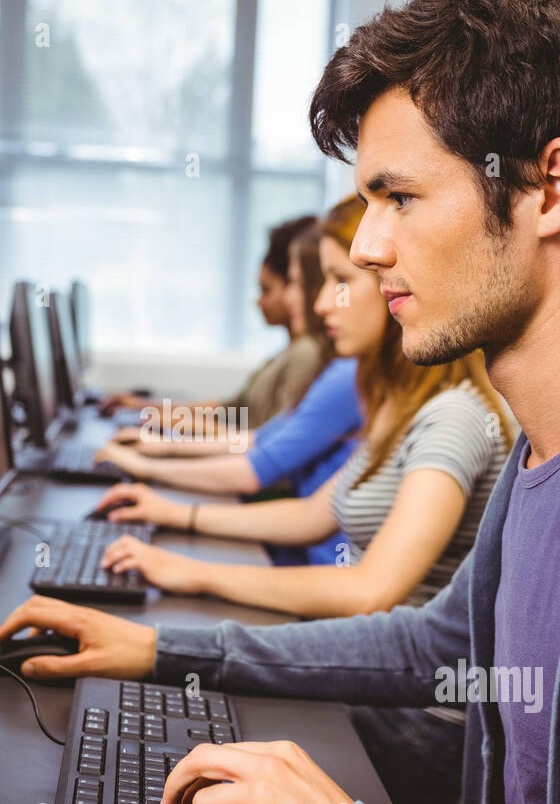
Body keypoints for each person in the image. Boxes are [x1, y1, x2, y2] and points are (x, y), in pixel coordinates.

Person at [0, 0, 560, 804]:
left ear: (551, 189)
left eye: (398, 196)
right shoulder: (547, 447)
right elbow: (434, 646)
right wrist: (160, 647)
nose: (364, 248)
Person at [93, 194, 511, 622]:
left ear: (397, 284)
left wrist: (193, 572)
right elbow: (312, 515)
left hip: (380, 665)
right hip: (344, 633)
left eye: (341, 281)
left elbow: (370, 591)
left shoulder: (453, 418)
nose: (321, 303)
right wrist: (174, 513)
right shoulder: (399, 406)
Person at [97, 212, 366, 566]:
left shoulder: (343, 374)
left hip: (297, 549)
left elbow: (258, 461)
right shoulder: (340, 370)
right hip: (296, 545)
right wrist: (160, 443)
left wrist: (152, 463)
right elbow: (258, 437)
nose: (297, 299)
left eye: (298, 285)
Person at [100, 214, 328, 429]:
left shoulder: (306, 352)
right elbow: (232, 410)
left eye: (267, 289)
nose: (258, 301)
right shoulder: (286, 353)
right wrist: (146, 409)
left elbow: (266, 445)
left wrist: (160, 427)